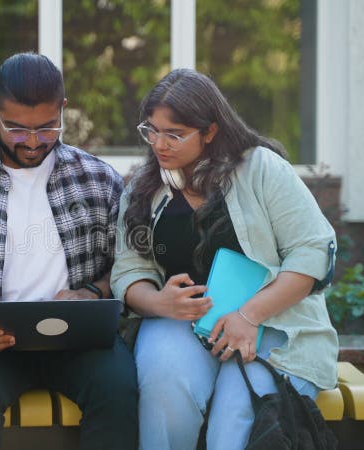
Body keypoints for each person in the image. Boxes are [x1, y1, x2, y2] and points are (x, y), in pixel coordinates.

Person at [110, 68, 338, 450]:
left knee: (235, 422)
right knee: (164, 387)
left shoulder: (261, 168)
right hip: (179, 322)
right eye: (151, 130)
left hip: (270, 322)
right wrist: (157, 302)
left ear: (210, 131)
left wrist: (249, 316)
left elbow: (313, 251)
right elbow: (129, 268)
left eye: (174, 134)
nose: (159, 144)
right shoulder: (142, 187)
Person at [0, 52, 138, 450]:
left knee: (120, 388)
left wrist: (91, 293)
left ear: (63, 110)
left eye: (47, 127)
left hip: (78, 342)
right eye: (17, 129)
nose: (33, 141)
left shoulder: (100, 179)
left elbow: (125, 268)